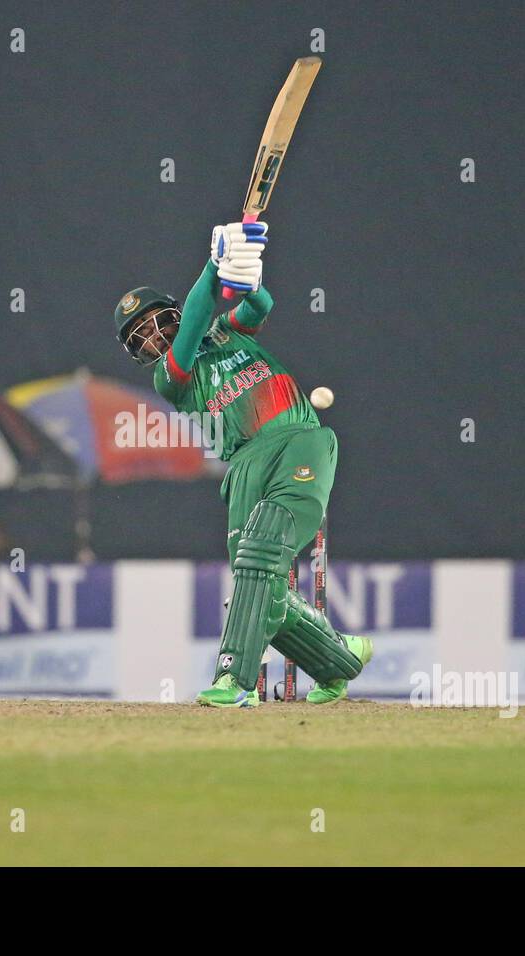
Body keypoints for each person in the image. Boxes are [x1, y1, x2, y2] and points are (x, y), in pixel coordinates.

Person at [114, 221, 372, 707]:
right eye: (140, 336)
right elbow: (194, 318)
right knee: (259, 583)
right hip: (243, 468)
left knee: (261, 560)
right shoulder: (171, 378)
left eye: (154, 321)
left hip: (297, 440)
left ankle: (235, 681)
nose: (153, 335)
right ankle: (339, 659)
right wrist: (213, 267)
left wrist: (246, 279)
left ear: (167, 312)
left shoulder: (228, 331)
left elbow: (260, 308)